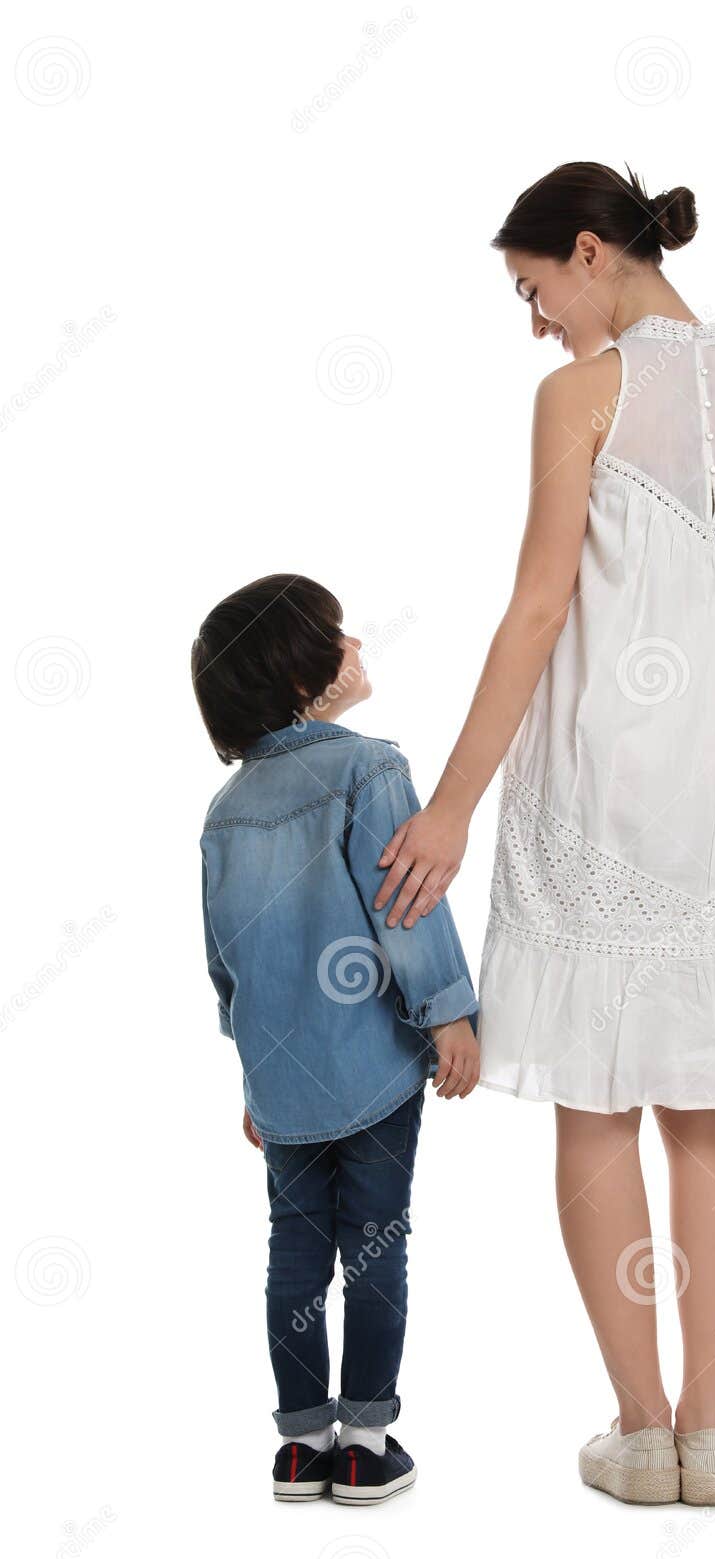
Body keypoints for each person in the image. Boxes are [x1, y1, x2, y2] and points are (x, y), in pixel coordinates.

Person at [372, 164, 715, 1505]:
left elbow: (534, 609)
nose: (532, 323)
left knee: (592, 1097)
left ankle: (638, 1427)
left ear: (585, 253)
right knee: (702, 1105)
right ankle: (714, 1431)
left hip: (597, 786)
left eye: (531, 290)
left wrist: (448, 802)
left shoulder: (581, 395)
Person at [192, 573, 479, 1504]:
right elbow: (407, 903)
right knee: (376, 1248)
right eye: (338, 635)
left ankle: (298, 1445)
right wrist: (447, 1011)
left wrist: (252, 1079)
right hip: (372, 1070)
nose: (356, 646)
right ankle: (363, 1443)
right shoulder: (368, 769)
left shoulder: (225, 813)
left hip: (281, 1082)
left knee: (293, 1254)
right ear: (300, 672)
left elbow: (230, 961)